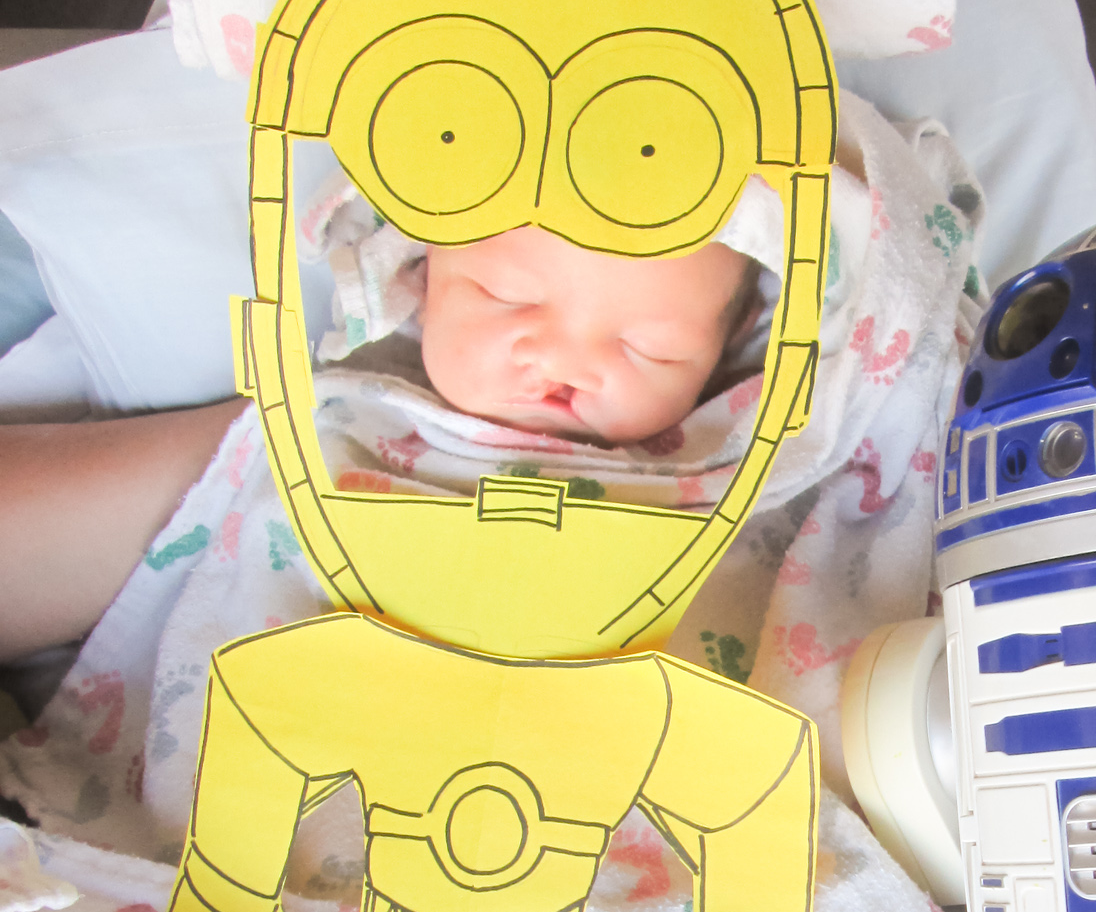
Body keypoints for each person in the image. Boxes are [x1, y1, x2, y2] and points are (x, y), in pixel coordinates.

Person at [0, 225, 764, 665]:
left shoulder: (733, 453)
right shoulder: (339, 419)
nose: (565, 361)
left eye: (649, 346)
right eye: (506, 299)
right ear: (418, 282)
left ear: (725, 352)